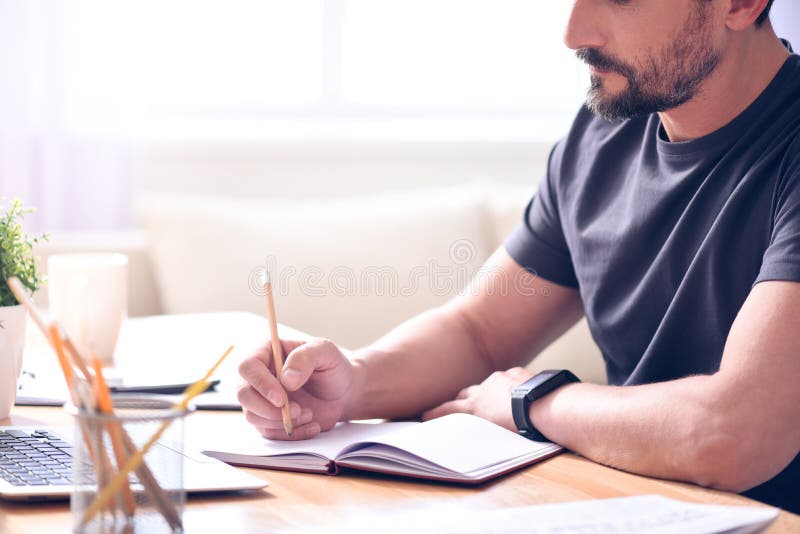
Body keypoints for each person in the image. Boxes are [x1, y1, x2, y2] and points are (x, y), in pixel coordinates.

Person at [238, 0, 800, 512]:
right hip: (642, 508)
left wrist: (531, 403)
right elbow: (481, 331)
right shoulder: (603, 136)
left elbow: (737, 433)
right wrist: (353, 383)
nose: (573, 32)